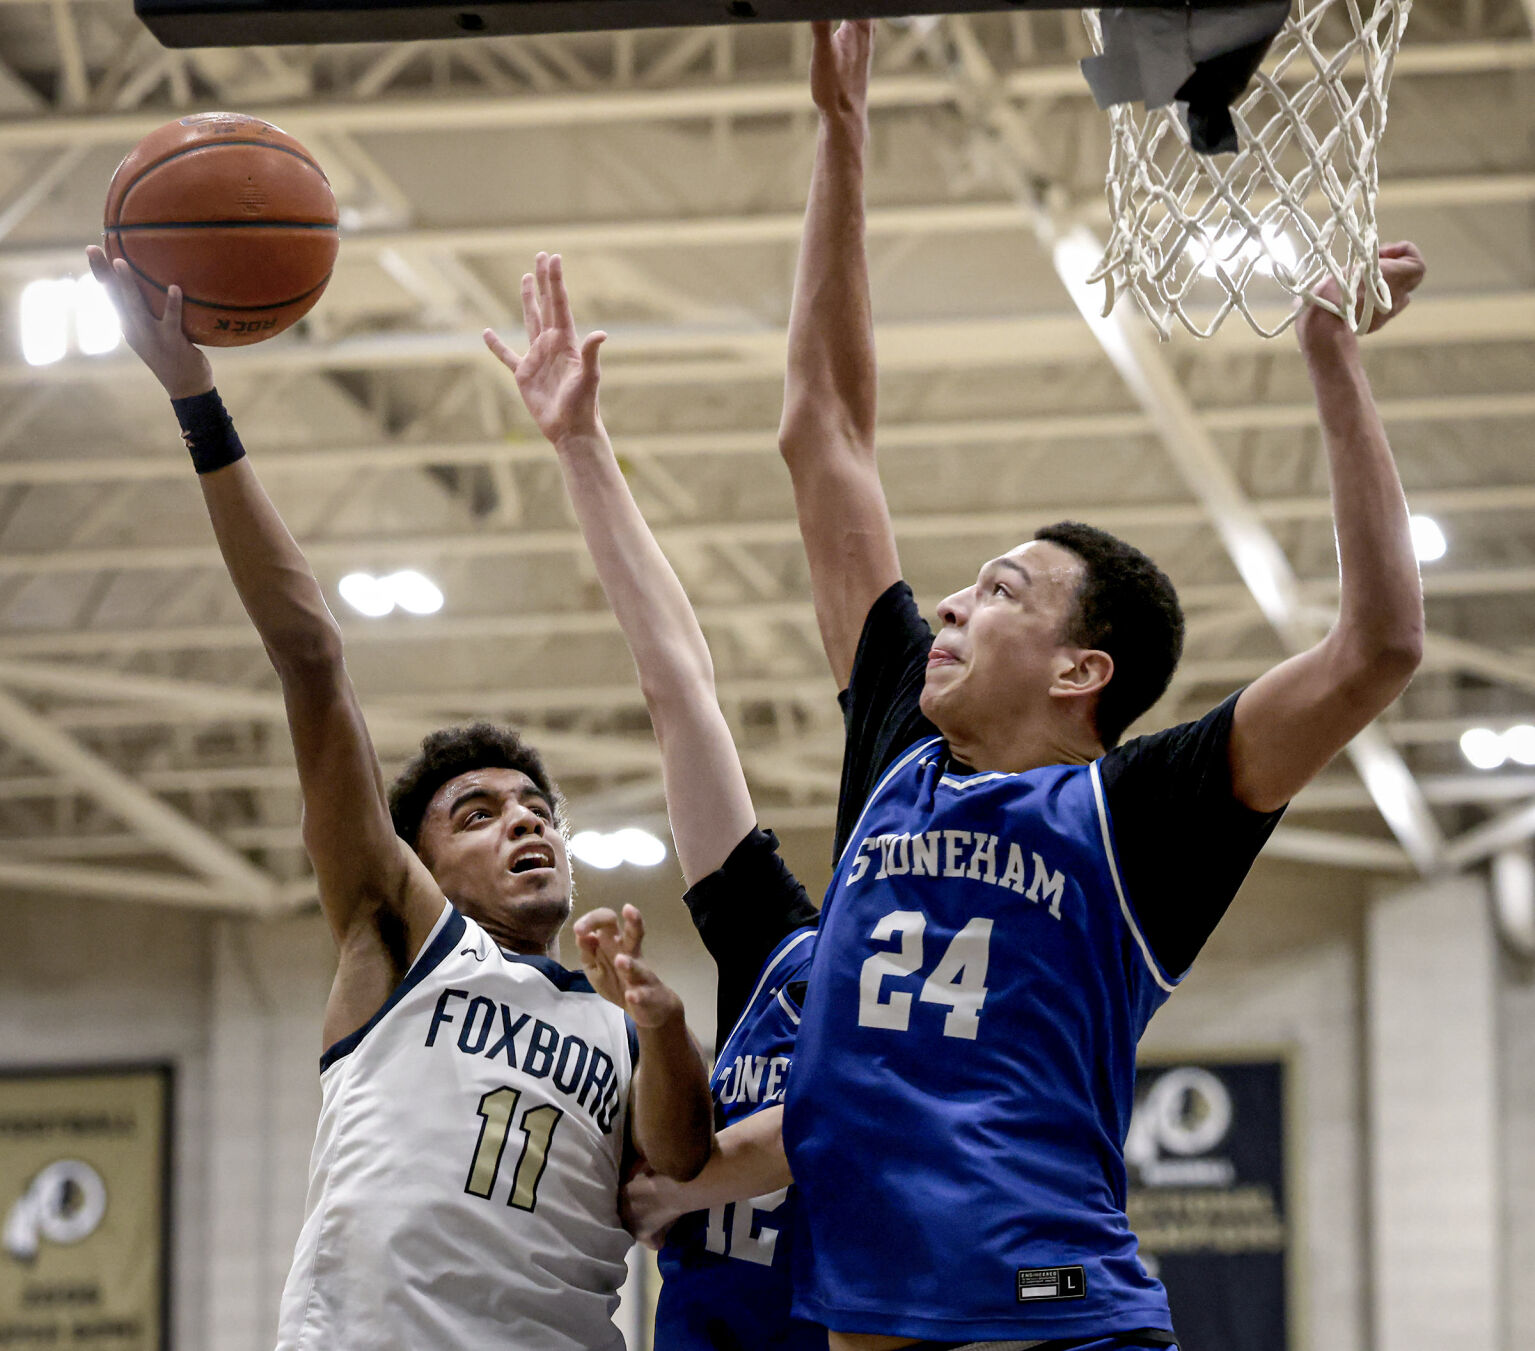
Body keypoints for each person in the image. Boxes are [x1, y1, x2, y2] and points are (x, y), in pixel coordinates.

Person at [774, 21, 1426, 1351]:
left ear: (1083, 669)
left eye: (1000, 589)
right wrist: (840, 141)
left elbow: (1375, 649)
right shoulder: (900, 735)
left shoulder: (1131, 812)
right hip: (870, 1321)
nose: (951, 602)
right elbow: (821, 431)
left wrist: (1328, 360)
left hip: (1053, 1320)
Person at [84, 245, 714, 1351]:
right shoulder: (402, 941)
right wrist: (195, 398)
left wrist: (660, 1030)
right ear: (417, 865)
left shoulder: (613, 1022)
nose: (525, 819)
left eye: (535, 806)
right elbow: (310, 653)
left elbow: (678, 1169)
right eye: (477, 812)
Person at [485, 251, 827, 1351]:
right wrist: (581, 448)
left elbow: (851, 1121)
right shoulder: (785, 945)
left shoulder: (974, 984)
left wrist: (704, 1178)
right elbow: (678, 688)